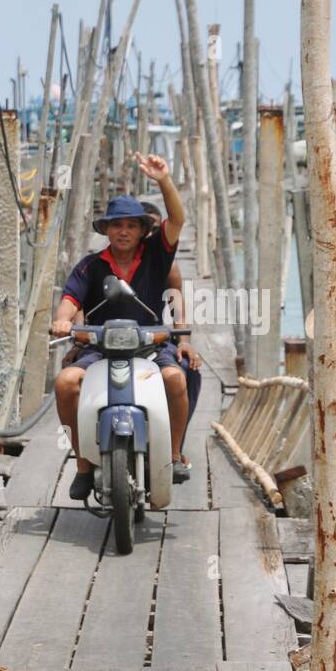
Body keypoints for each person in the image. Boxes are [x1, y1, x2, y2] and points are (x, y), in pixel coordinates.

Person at [51, 152, 188, 501]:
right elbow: (71, 298)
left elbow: (178, 217)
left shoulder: (158, 255)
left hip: (150, 344)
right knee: (66, 382)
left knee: (176, 379)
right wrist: (63, 319)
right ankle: (83, 464)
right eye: (116, 225)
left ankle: (172, 456)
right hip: (100, 347)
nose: (123, 231)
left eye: (130, 225)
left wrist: (164, 180)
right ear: (106, 230)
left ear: (143, 230)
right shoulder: (91, 265)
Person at [139, 200, 202, 476]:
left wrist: (184, 341)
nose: (150, 234)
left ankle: (177, 445)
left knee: (189, 372)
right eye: (146, 228)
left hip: (153, 337)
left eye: (155, 228)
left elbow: (177, 305)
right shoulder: (106, 262)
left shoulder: (167, 266)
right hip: (110, 339)